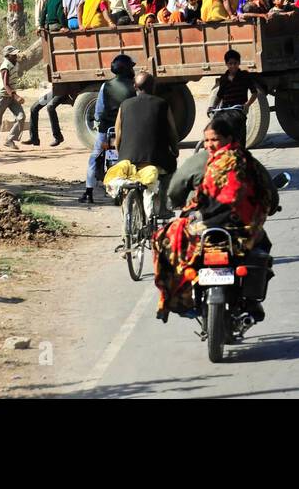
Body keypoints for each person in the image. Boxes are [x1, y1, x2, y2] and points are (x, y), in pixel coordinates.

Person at [152, 114, 277, 322]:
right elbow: (267, 192)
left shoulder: (206, 160)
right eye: (207, 140)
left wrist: (184, 207)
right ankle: (253, 299)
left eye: (214, 140)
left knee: (165, 240)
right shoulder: (247, 160)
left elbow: (181, 192)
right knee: (262, 245)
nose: (210, 145)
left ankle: (179, 298)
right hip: (241, 230)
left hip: (208, 226)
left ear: (228, 139)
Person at [114, 71, 180, 215]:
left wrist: (121, 155)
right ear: (153, 87)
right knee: (170, 169)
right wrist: (175, 150)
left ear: (134, 87)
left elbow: (117, 134)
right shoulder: (162, 104)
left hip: (128, 159)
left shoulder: (124, 105)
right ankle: (163, 207)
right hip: (156, 159)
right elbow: (172, 132)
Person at [81, 53, 137, 203]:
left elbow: (99, 108)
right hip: (127, 130)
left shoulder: (106, 85)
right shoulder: (134, 86)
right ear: (127, 69)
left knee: (95, 157)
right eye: (131, 67)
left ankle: (89, 191)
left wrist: (99, 120)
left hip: (106, 131)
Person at [0, 45, 25, 151]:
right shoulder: (5, 66)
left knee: (21, 117)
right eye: (13, 54)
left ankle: (10, 140)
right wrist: (16, 96)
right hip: (3, 97)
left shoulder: (13, 64)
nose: (16, 55)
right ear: (7, 56)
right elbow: (6, 84)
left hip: (11, 96)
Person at [210, 49, 260, 116]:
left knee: (235, 123)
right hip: (225, 111)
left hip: (239, 111)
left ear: (239, 63)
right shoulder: (223, 78)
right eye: (230, 64)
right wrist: (212, 107)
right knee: (215, 124)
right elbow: (219, 95)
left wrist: (247, 105)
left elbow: (254, 93)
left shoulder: (245, 76)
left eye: (235, 63)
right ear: (226, 64)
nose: (233, 66)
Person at [26, 83, 66, 147]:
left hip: (65, 90)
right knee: (34, 108)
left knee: (50, 107)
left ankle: (58, 137)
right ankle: (34, 138)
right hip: (55, 91)